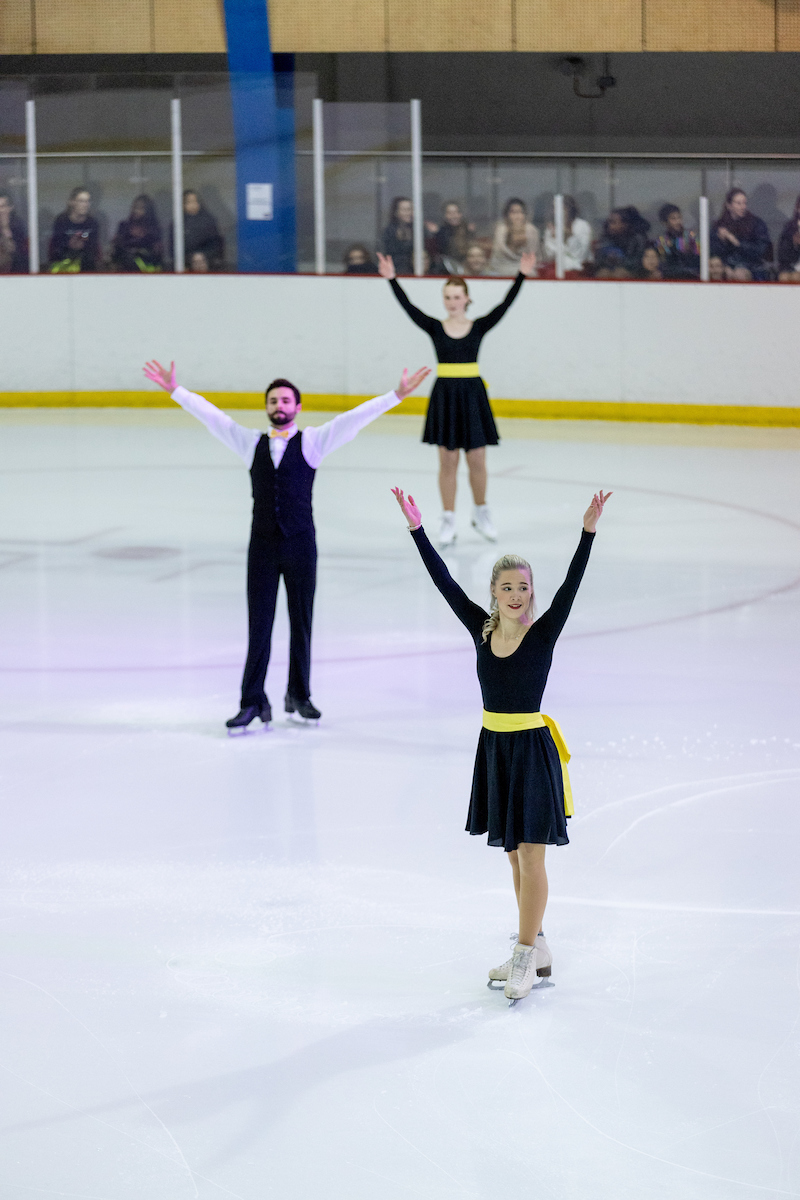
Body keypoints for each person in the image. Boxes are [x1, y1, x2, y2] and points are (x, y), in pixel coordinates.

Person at [392, 484, 610, 1002]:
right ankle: (534, 946)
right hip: (494, 749)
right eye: (508, 586)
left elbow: (573, 586)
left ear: (533, 593)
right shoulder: (481, 629)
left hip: (532, 752)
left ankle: (522, 957)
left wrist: (587, 533)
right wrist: (418, 529)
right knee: (514, 857)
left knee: (532, 857)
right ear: (494, 591)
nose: (517, 595)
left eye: (525, 587)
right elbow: (443, 583)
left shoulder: (543, 634)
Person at [142, 358, 430, 731]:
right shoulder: (250, 443)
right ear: (267, 407)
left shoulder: (313, 442)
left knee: (301, 623)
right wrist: (176, 391)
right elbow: (214, 418)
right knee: (259, 626)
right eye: (273, 401)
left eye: (285, 401)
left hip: (300, 546)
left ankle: (299, 695)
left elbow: (353, 419)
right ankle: (252, 702)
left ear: (297, 407)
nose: (279, 406)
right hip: (261, 547)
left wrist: (396, 395)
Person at [378, 250, 536, 548]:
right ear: (444, 300)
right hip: (445, 396)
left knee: (477, 459)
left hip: (473, 395)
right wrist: (392, 280)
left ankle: (481, 512)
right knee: (447, 461)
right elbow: (409, 308)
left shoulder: (478, 326)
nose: (452, 302)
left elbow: (505, 305)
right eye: (447, 297)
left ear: (466, 298)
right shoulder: (435, 327)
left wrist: (522, 275)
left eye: (457, 297)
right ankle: (448, 518)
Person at [710, 188, 772, 282]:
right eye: (738, 203)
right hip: (727, 265)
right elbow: (712, 252)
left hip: (752, 266)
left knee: (739, 274)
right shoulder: (719, 225)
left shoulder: (756, 224)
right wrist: (722, 241)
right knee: (718, 272)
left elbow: (760, 251)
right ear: (729, 205)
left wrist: (736, 242)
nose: (743, 207)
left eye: (744, 203)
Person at [48, 187, 101, 272]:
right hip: (63, 266)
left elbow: (94, 247)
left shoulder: (92, 223)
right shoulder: (61, 221)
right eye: (81, 201)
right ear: (72, 202)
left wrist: (83, 244)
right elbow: (56, 246)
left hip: (87, 267)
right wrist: (69, 245)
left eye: (87, 201)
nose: (85, 204)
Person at [172, 190, 224, 271]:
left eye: (195, 201)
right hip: (186, 267)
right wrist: (190, 258)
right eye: (188, 202)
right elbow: (173, 248)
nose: (193, 205)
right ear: (182, 204)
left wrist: (204, 256)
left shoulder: (209, 220)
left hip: (209, 267)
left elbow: (217, 245)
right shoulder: (177, 223)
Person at [110, 194, 163, 273]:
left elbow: (157, 256)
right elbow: (116, 252)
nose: (136, 211)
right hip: (124, 272)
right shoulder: (124, 227)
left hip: (147, 274)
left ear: (148, 210)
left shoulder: (153, 230)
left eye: (140, 208)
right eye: (134, 207)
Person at [593, 207, 650, 279]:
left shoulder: (638, 239)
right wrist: (606, 259)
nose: (610, 226)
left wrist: (619, 260)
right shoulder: (605, 238)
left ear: (624, 224)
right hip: (610, 269)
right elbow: (597, 262)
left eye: (613, 222)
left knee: (619, 273)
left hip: (635, 273)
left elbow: (640, 262)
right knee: (603, 273)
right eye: (609, 222)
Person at [541, 195, 592, 275]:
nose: (556, 211)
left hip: (580, 270)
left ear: (570, 209)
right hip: (556, 269)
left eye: (562, 208)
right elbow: (549, 255)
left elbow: (582, 255)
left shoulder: (582, 225)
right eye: (554, 208)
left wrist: (570, 236)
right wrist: (555, 238)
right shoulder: (551, 228)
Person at [489, 199, 539, 276]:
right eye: (513, 212)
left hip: (524, 266)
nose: (517, 216)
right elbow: (500, 250)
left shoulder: (531, 229)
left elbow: (532, 253)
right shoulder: (501, 229)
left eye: (521, 212)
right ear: (506, 215)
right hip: (501, 266)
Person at [427, 201, 475, 273]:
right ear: (445, 215)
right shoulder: (441, 233)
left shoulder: (468, 231)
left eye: (456, 212)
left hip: (467, 270)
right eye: (449, 213)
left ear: (460, 214)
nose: (453, 216)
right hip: (446, 271)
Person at [655, 204, 700, 280]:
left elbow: (700, 255)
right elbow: (663, 261)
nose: (678, 221)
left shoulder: (691, 235)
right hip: (671, 277)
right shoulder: (662, 239)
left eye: (679, 217)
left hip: (692, 275)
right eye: (673, 219)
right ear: (665, 222)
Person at [382, 197, 415, 275]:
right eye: (404, 210)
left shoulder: (419, 230)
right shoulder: (389, 231)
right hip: (395, 271)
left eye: (410, 209)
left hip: (415, 271)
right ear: (396, 212)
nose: (409, 213)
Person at [0, 191, 28, 274]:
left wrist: (5, 227)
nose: (0, 210)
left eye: (3, 206)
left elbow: (12, 249)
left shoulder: (18, 225)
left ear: (10, 207)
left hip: (15, 272)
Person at [777, 194, 800, 282]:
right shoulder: (790, 227)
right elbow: (782, 254)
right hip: (791, 266)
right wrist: (794, 244)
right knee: (784, 277)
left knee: (796, 278)